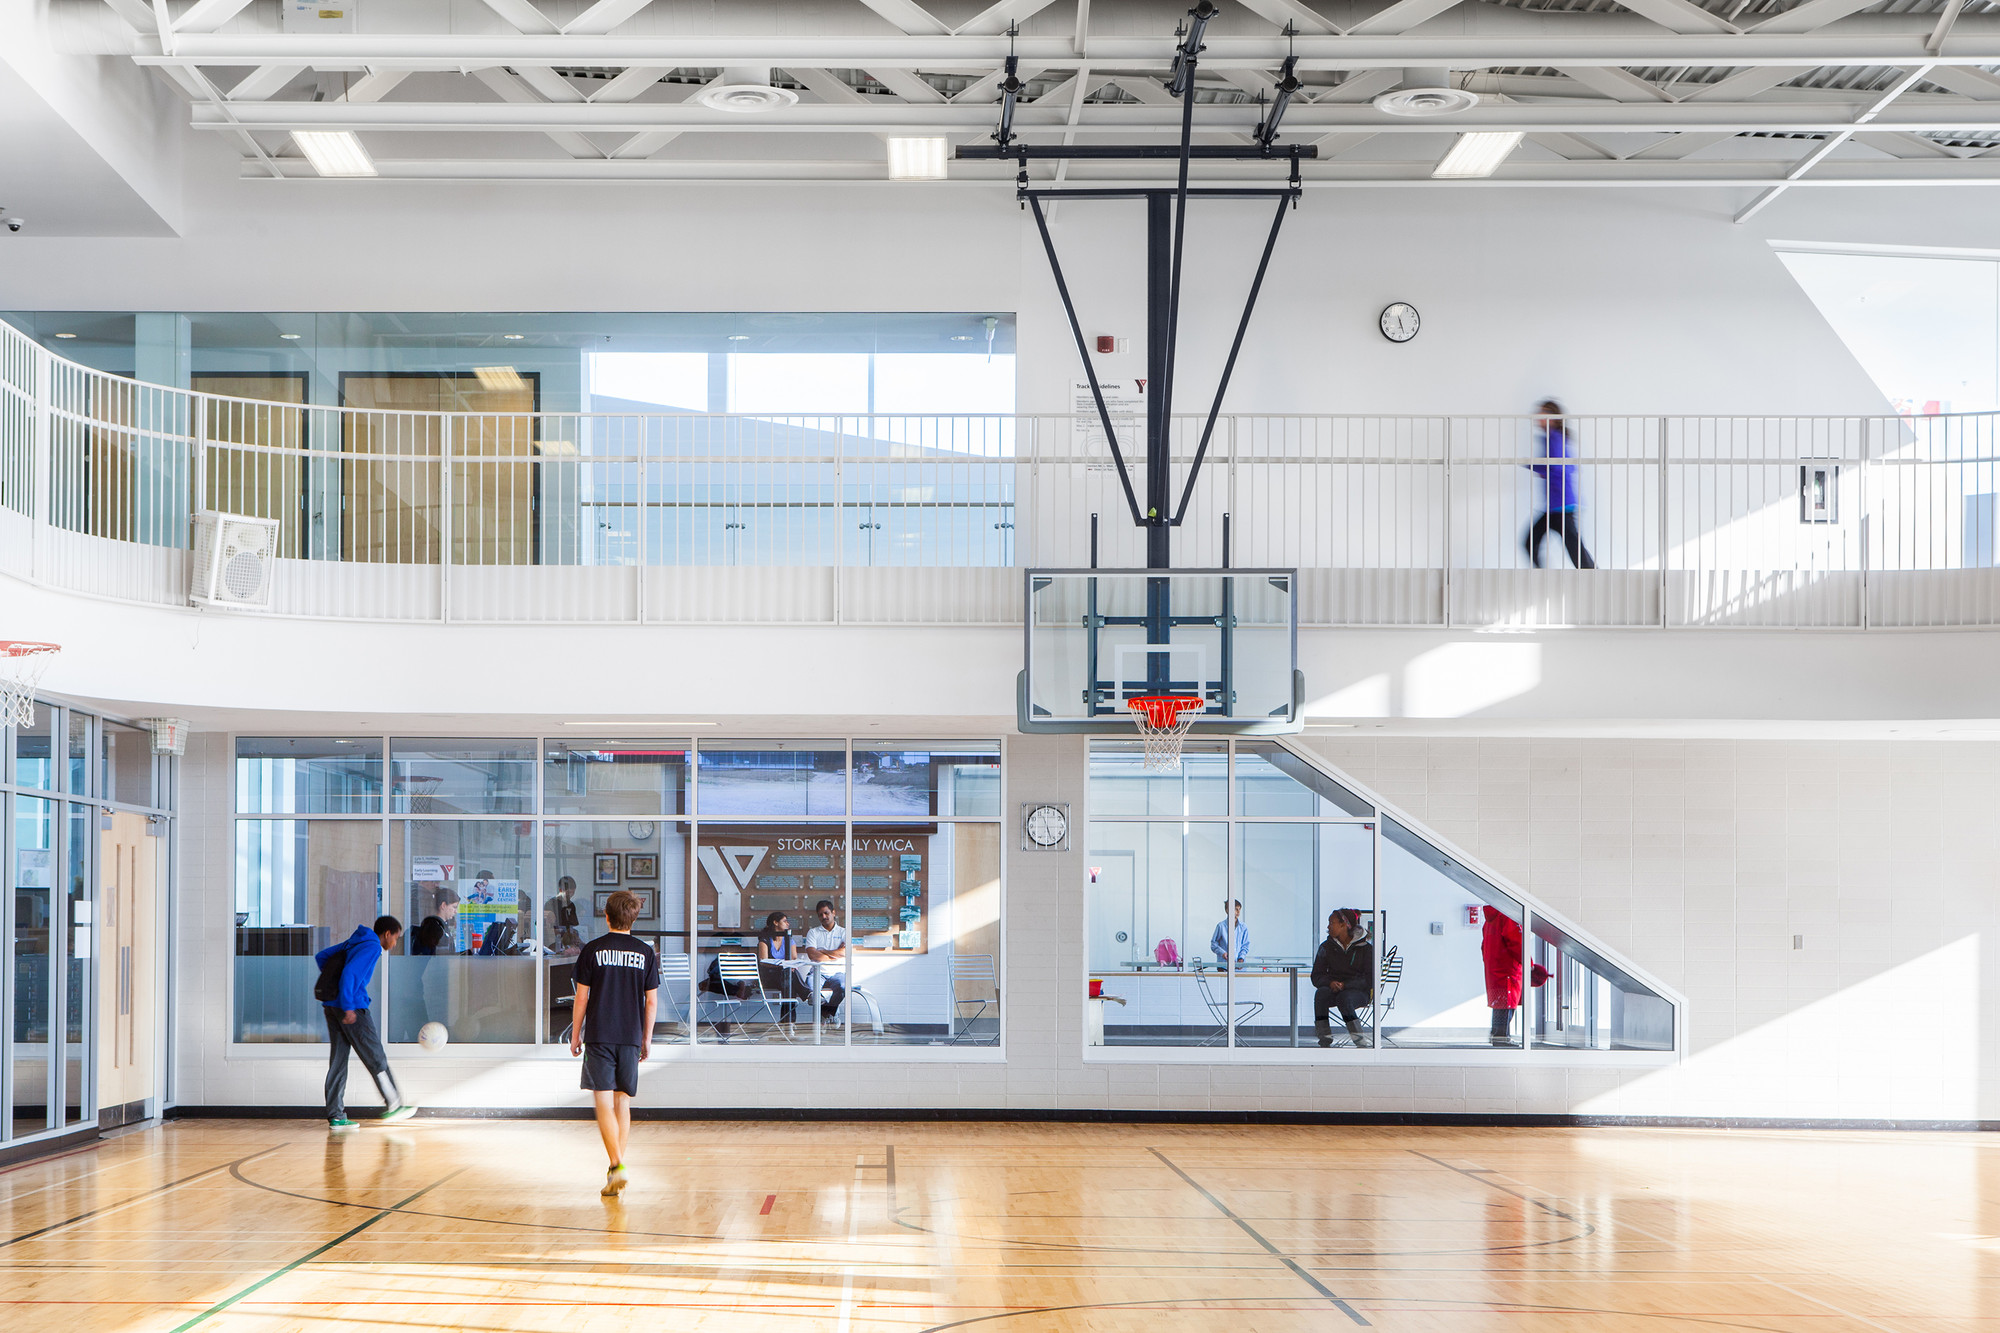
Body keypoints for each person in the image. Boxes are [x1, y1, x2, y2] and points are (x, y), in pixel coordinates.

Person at [570, 889, 659, 1197]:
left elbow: (582, 997)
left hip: (600, 1034)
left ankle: (616, 1164)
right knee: (623, 1102)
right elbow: (651, 1002)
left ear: (606, 916)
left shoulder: (592, 950)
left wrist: (574, 1033)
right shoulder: (645, 953)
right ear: (633, 917)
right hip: (630, 1035)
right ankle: (615, 1170)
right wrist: (646, 1038)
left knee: (603, 1103)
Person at [316, 914, 420, 1132]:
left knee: (338, 1061)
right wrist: (348, 1005)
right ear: (387, 933)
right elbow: (351, 973)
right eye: (395, 938)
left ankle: (336, 1116)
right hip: (351, 1008)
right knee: (375, 1056)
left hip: (331, 1006)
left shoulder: (355, 941)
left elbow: (322, 957)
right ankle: (395, 1105)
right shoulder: (372, 946)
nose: (394, 943)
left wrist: (335, 991)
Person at [1523, 399, 1596, 570]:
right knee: (1530, 543)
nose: (1538, 417)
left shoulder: (1555, 437)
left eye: (1543, 413)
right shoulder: (1552, 437)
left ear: (1554, 417)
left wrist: (1531, 464)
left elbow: (1556, 465)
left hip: (1562, 507)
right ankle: (1543, 577)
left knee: (1577, 553)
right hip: (1554, 507)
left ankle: (1597, 579)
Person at [1481, 905, 1550, 1047]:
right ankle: (1502, 1038)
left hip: (1494, 968)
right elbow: (1517, 942)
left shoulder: (1489, 921)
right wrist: (1528, 963)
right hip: (1508, 969)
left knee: (1499, 1002)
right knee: (1507, 1003)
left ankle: (1497, 1036)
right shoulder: (1508, 917)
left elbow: (1484, 945)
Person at [1311, 908, 1374, 1048]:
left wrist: (1346, 985)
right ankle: (1324, 1039)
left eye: (1331, 922)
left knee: (1344, 998)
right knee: (1321, 994)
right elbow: (1316, 975)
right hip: (1334, 988)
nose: (1328, 926)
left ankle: (1359, 1041)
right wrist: (1330, 982)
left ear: (1343, 925)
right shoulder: (1326, 947)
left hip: (1359, 991)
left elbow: (1369, 979)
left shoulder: (1366, 949)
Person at [757, 910, 816, 1016]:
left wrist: (788, 966)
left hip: (785, 976)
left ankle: (788, 1024)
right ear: (775, 922)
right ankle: (808, 994)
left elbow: (793, 958)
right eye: (784, 921)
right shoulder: (765, 940)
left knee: (789, 986)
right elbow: (763, 961)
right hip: (769, 976)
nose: (788, 924)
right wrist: (783, 965)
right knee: (789, 977)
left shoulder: (788, 939)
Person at [802, 898, 848, 1025]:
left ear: (833, 912)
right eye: (820, 915)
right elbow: (813, 955)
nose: (824, 916)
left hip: (837, 972)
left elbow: (845, 953)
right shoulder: (813, 932)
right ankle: (830, 1012)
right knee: (811, 993)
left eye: (826, 913)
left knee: (844, 987)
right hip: (818, 972)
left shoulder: (844, 932)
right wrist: (835, 952)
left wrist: (822, 951)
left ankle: (828, 1012)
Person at [545, 875, 583, 952]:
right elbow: (548, 926)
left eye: (573, 892)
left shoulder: (571, 905)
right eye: (568, 893)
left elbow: (572, 924)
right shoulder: (551, 904)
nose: (570, 895)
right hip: (554, 939)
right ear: (560, 890)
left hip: (568, 939)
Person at [1208, 900, 1249, 967]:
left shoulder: (1243, 927)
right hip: (1224, 966)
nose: (1238, 912)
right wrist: (1223, 953)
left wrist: (1241, 958)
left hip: (1239, 967)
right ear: (1227, 910)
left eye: (1239, 909)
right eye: (1236, 909)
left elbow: (1245, 945)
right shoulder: (1221, 926)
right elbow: (1213, 944)